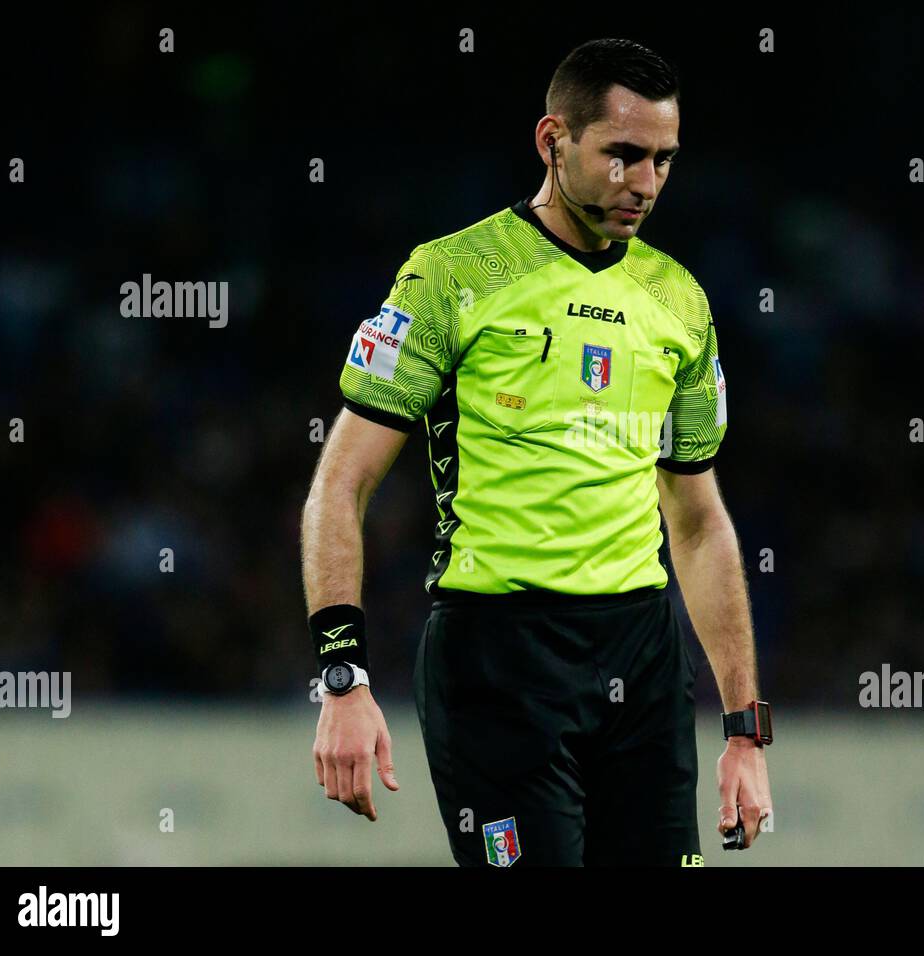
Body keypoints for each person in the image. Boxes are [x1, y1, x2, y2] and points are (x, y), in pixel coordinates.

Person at [301, 37, 771, 866]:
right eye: (622, 155)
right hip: (497, 659)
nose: (646, 184)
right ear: (553, 141)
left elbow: (697, 524)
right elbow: (342, 484)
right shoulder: (450, 278)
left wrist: (745, 731)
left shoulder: (679, 301)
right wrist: (343, 678)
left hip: (642, 657)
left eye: (663, 160)